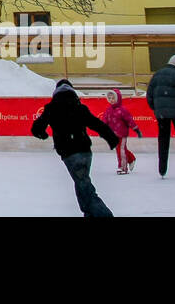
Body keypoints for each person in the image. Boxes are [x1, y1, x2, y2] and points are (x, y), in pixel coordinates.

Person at [31, 79, 119, 216]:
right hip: (85, 152)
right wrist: (111, 138)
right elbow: (96, 124)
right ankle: (89, 214)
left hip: (70, 153)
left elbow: (36, 128)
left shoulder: (51, 108)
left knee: (84, 186)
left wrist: (43, 135)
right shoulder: (80, 107)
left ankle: (104, 215)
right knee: (81, 184)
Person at [100, 88, 142, 174]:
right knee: (119, 149)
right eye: (110, 98)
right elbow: (105, 121)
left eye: (113, 98)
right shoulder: (108, 110)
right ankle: (131, 159)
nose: (111, 100)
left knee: (121, 150)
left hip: (122, 134)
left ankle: (123, 168)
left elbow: (130, 121)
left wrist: (136, 130)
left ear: (118, 99)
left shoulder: (123, 110)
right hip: (113, 134)